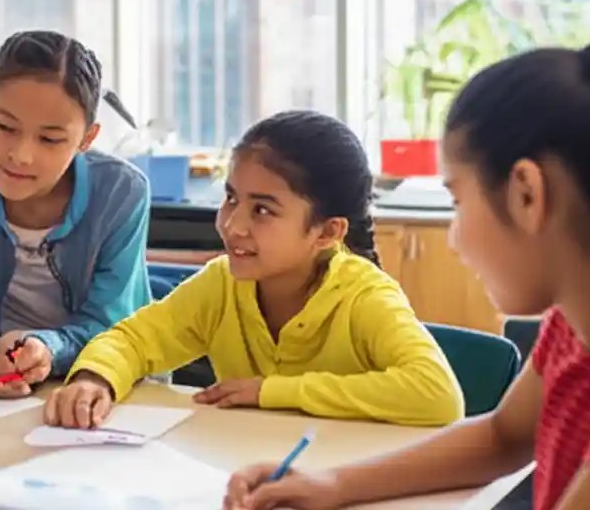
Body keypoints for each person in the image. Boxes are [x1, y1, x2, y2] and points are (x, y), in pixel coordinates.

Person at [223, 36, 590, 510]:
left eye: (457, 200)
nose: (455, 239)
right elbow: (500, 437)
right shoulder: (579, 325)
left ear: (527, 194)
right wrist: (330, 485)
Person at [46, 110, 464, 429]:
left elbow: (438, 394)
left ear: (326, 232)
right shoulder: (222, 284)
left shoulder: (364, 297)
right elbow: (134, 340)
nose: (232, 224)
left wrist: (272, 392)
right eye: (231, 199)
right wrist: (94, 379)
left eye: (262, 209)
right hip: (250, 476)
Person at [0, 30, 152, 393]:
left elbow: (113, 324)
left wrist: (48, 348)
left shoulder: (122, 193)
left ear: (86, 139)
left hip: (103, 385)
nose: (21, 155)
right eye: (5, 127)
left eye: (49, 139)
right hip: (2, 390)